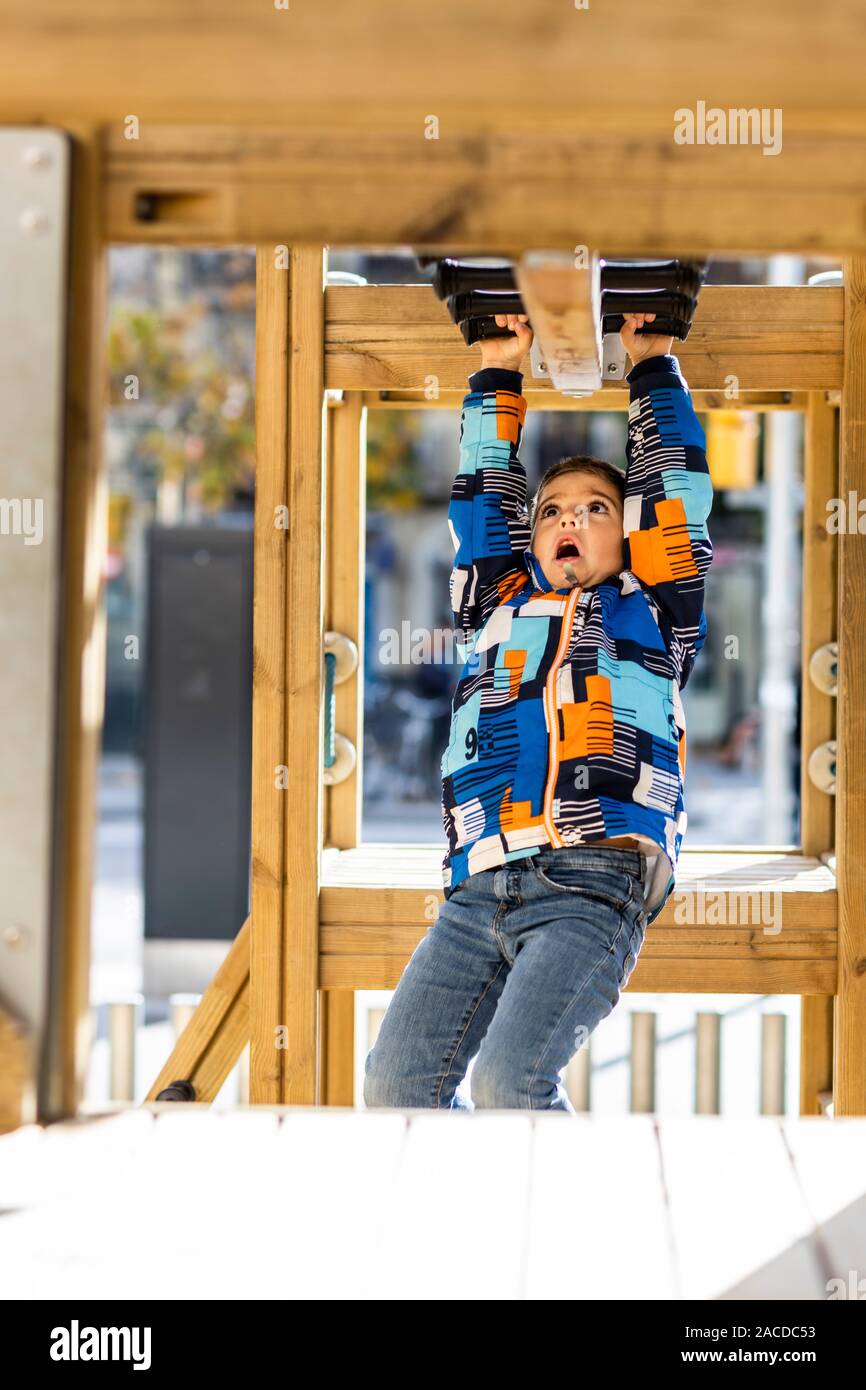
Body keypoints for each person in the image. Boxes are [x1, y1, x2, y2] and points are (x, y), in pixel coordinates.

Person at [364, 311, 714, 1111]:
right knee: (394, 1085)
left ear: (627, 540)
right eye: (553, 510)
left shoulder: (654, 609)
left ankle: (557, 1229)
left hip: (596, 877)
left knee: (509, 1082)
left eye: (596, 510)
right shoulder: (497, 601)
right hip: (480, 876)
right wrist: (498, 371)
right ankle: (466, 1227)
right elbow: (485, 496)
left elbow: (670, 496)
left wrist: (651, 364)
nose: (570, 521)